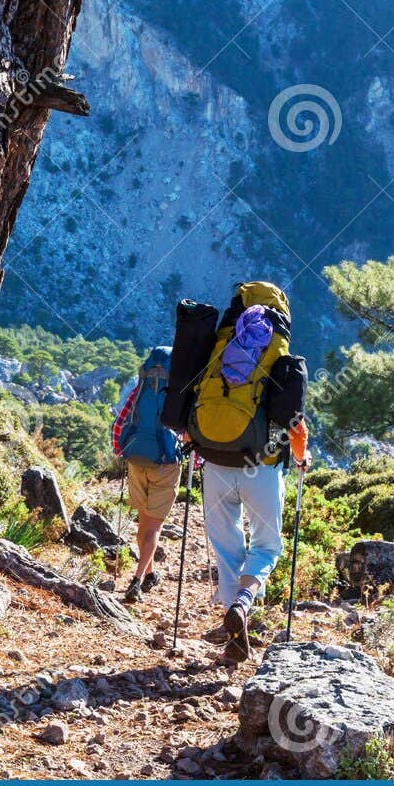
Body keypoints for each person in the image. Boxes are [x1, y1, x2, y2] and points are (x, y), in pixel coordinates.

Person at [169, 281, 307, 663]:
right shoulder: (278, 358)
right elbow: (294, 421)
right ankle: (244, 604)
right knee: (266, 545)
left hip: (213, 461)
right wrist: (300, 457)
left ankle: (235, 638)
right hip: (259, 467)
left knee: (227, 545)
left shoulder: (218, 348)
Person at [110, 346, 181, 604]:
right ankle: (137, 580)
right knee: (154, 528)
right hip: (165, 463)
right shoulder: (176, 392)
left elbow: (120, 421)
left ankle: (150, 573)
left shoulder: (141, 388)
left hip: (136, 457)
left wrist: (120, 451)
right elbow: (186, 432)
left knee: (143, 523)